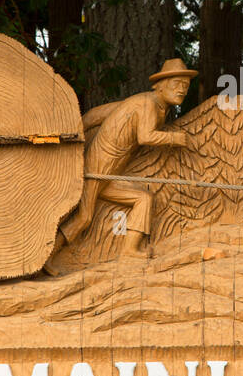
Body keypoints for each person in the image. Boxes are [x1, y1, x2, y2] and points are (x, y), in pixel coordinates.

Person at [60, 58, 196, 259]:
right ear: (160, 86)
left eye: (186, 86)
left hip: (110, 172)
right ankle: (47, 256)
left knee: (143, 198)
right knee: (84, 217)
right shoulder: (148, 104)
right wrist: (174, 138)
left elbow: (94, 115)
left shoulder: (152, 105)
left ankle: (129, 250)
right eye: (177, 84)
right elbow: (146, 136)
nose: (182, 90)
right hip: (98, 168)